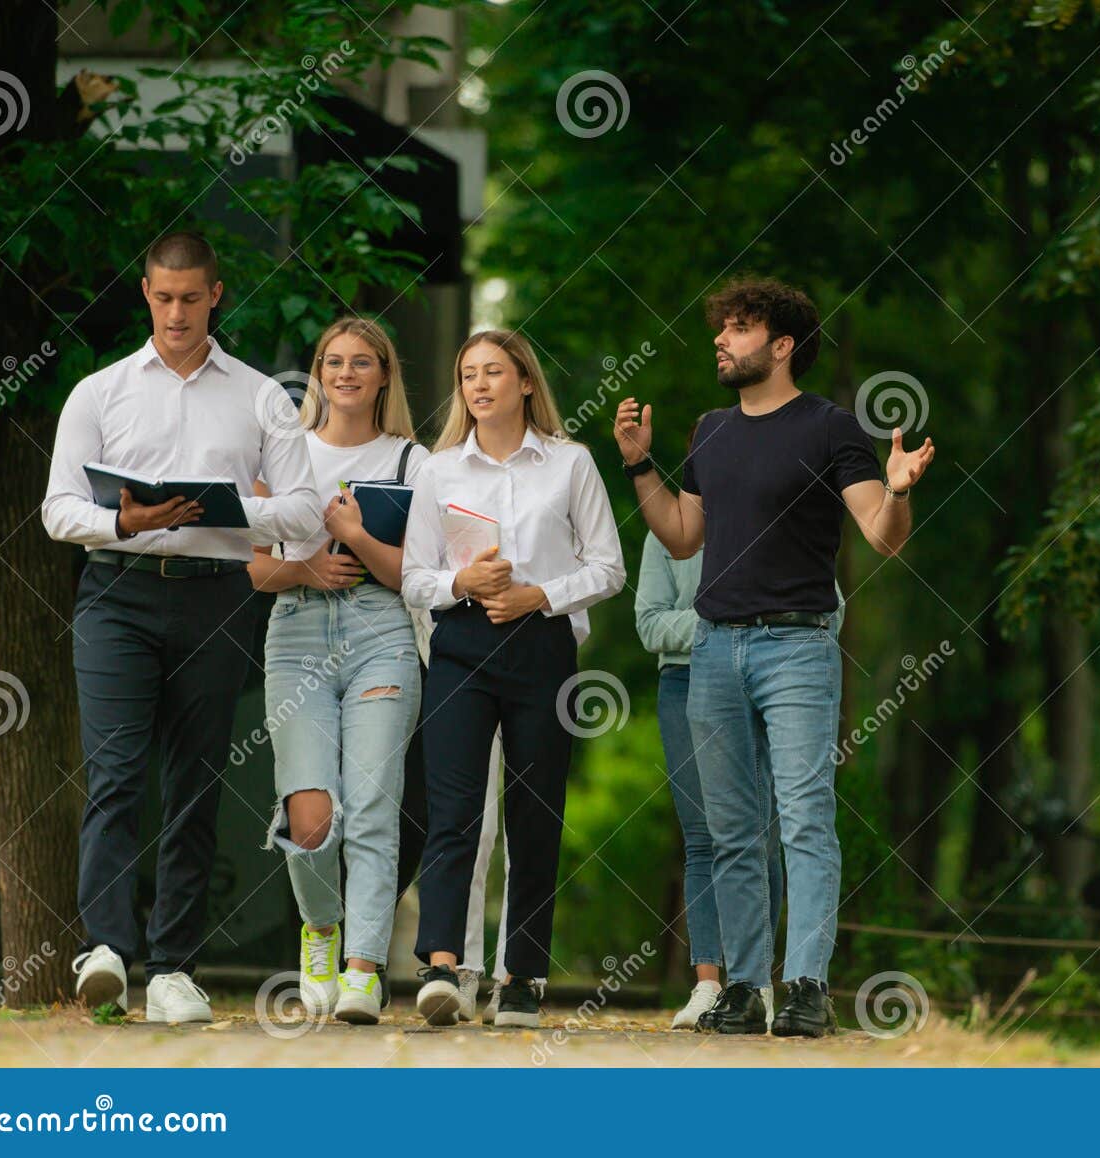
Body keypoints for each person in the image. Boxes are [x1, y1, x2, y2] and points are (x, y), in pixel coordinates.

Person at [614, 276, 935, 1037]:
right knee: (729, 830)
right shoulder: (712, 431)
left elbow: (883, 537)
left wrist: (897, 490)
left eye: (740, 326)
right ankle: (745, 988)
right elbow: (684, 535)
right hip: (715, 649)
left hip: (798, 645)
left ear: (782, 345)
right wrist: (638, 464)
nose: (721, 338)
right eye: (721, 325)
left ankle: (808, 987)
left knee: (804, 821)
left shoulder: (830, 429)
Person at [43, 231, 322, 1023]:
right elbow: (58, 510)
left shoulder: (261, 394)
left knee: (197, 782)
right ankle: (104, 949)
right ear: (146, 295)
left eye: (191, 299)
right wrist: (122, 519)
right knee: (115, 773)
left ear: (216, 296)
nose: (176, 314)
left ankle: (172, 970)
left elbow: (303, 510)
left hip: (216, 596)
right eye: (163, 299)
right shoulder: (99, 392)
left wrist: (228, 509)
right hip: (117, 593)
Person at [403, 328, 625, 1027]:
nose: (478, 385)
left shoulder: (571, 464)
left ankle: (523, 975)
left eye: (493, 372)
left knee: (535, 814)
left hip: (543, 646)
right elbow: (414, 577)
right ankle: (441, 966)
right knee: (454, 810)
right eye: (468, 374)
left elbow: (609, 567)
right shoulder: (438, 472)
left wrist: (540, 595)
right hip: (462, 644)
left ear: (525, 382)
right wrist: (461, 580)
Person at [247, 317, 428, 1026]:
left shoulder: (414, 461)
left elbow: (417, 574)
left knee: (376, 807)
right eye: (332, 362)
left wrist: (354, 538)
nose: (345, 373)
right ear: (317, 374)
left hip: (381, 631)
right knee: (311, 814)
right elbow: (256, 569)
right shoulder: (285, 455)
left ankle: (363, 970)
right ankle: (320, 929)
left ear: (384, 374)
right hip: (295, 631)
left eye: (361, 362)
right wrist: (308, 567)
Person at [637, 513, 848, 1029]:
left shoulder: (776, 518)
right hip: (686, 683)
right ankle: (711, 984)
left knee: (772, 830)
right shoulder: (665, 533)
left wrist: (755, 627)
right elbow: (648, 624)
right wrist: (719, 620)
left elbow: (831, 607)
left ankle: (772, 985)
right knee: (705, 837)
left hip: (772, 676)